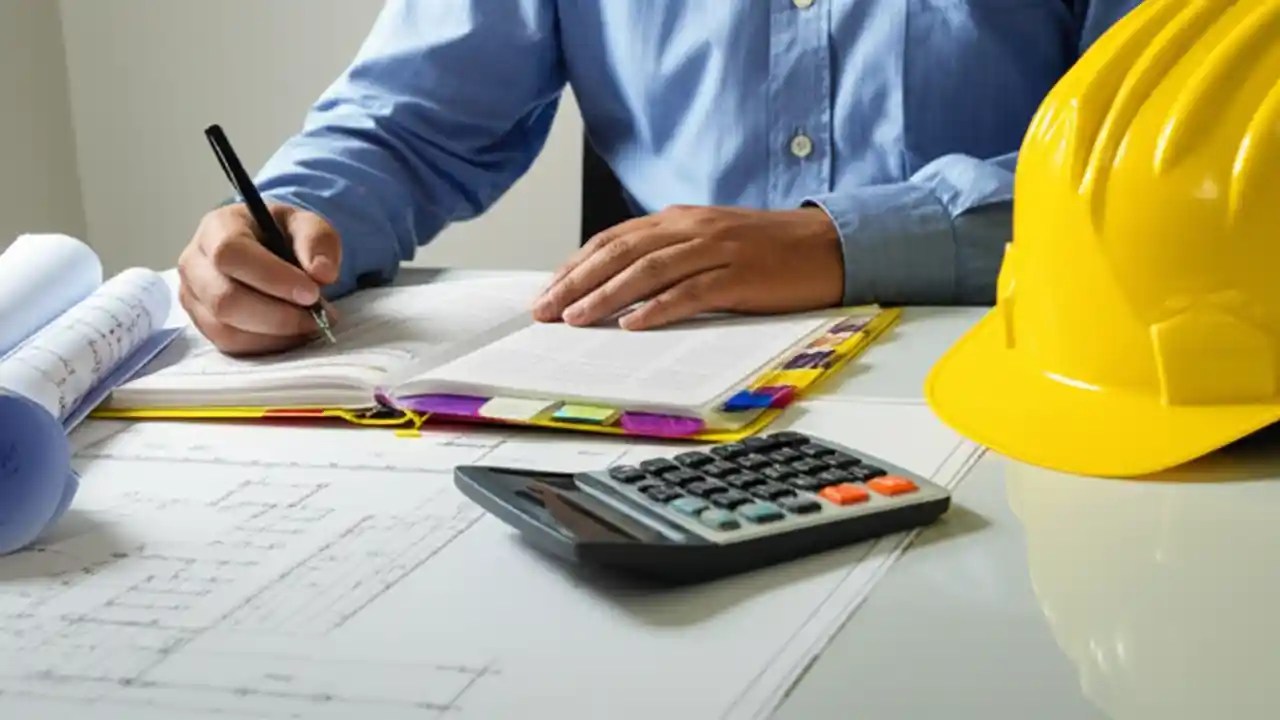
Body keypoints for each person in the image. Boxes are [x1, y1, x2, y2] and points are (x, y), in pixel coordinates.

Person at [178, 0, 1143, 356]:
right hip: (665, 391)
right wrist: (294, 217)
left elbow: (1159, 179)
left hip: (1027, 361)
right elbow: (411, 125)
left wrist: (840, 242)